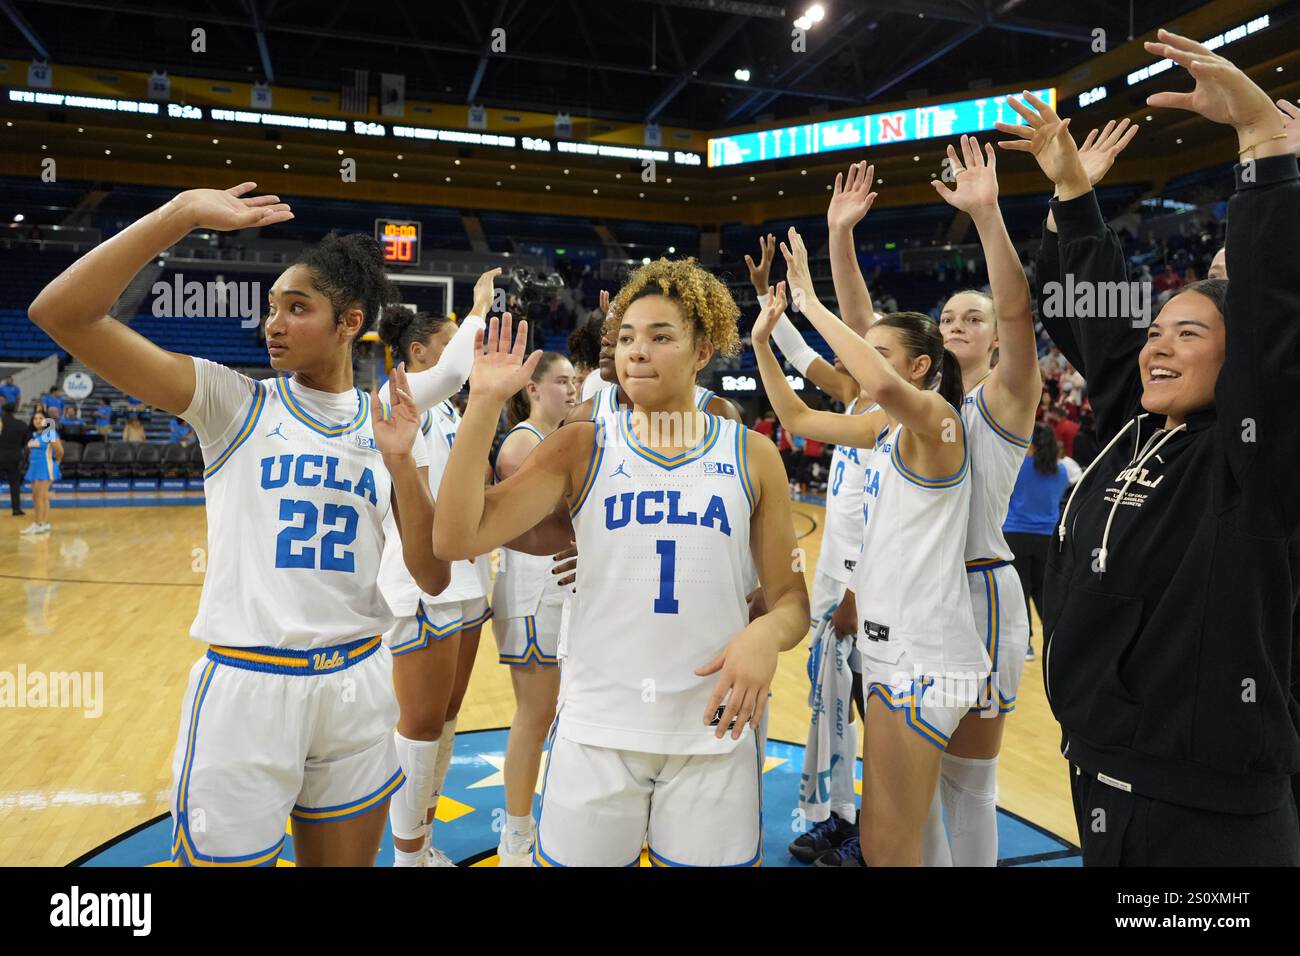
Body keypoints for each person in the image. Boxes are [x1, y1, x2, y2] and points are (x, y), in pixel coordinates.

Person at [28, 182, 457, 866]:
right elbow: (62, 313)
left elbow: (434, 577)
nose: (274, 324)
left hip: (357, 682)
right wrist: (179, 216)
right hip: (248, 686)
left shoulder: (388, 427)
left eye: (297, 308)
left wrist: (404, 464)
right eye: (270, 308)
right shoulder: (235, 404)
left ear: (349, 322)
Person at [1002, 32, 1300, 864]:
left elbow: (1277, 326)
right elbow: (1094, 312)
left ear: (1239, 358)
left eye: (1190, 330)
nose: (1155, 345)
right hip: (1100, 782)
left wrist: (1266, 153)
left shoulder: (1253, 455)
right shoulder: (1141, 423)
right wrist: (1069, 193)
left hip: (1205, 815)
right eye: (1156, 330)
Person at [434, 258, 810, 867]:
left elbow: (792, 601)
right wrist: (481, 405)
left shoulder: (753, 453)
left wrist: (766, 633)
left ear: (702, 350)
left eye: (661, 336)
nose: (638, 351)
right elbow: (456, 537)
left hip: (710, 734)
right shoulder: (580, 446)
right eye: (629, 337)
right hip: (596, 729)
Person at [763, 226, 985, 866]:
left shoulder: (942, 426)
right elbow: (800, 420)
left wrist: (808, 302)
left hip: (925, 656)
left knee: (893, 843)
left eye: (876, 350)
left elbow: (882, 386)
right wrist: (762, 344)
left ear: (920, 367)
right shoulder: (882, 427)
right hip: (890, 649)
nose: (862, 362)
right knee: (895, 841)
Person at [373, 290, 501, 868]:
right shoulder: (399, 398)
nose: (465, 356)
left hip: (468, 579)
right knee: (420, 729)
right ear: (417, 353)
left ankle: (421, 844)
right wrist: (478, 308)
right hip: (422, 582)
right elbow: (418, 503)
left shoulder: (450, 411)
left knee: (445, 725)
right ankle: (405, 859)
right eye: (451, 345)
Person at [491, 351, 578, 865]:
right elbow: (550, 517)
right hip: (530, 592)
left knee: (555, 710)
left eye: (574, 381)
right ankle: (516, 836)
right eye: (561, 381)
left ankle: (542, 821)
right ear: (533, 389)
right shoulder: (522, 442)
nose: (571, 389)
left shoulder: (557, 439)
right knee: (534, 714)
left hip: (557, 590)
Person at [1002, 424, 1071, 659]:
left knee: (1020, 591)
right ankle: (1054, 643)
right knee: (1044, 592)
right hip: (1047, 538)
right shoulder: (1061, 471)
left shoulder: (1018, 467)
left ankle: (1027, 644)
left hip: (1015, 534)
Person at [19, 410, 61, 535]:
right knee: (39, 497)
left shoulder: (50, 432)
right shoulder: (34, 435)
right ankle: (43, 523)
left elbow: (60, 450)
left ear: (46, 420)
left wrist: (56, 464)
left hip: (45, 468)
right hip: (35, 468)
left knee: (39, 497)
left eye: (40, 418)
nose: (37, 420)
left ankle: (38, 524)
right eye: (35, 418)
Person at [0, 402, 30, 517]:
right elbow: (25, 442)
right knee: (14, 484)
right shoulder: (21, 424)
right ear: (14, 411)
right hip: (14, 458)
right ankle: (16, 509)